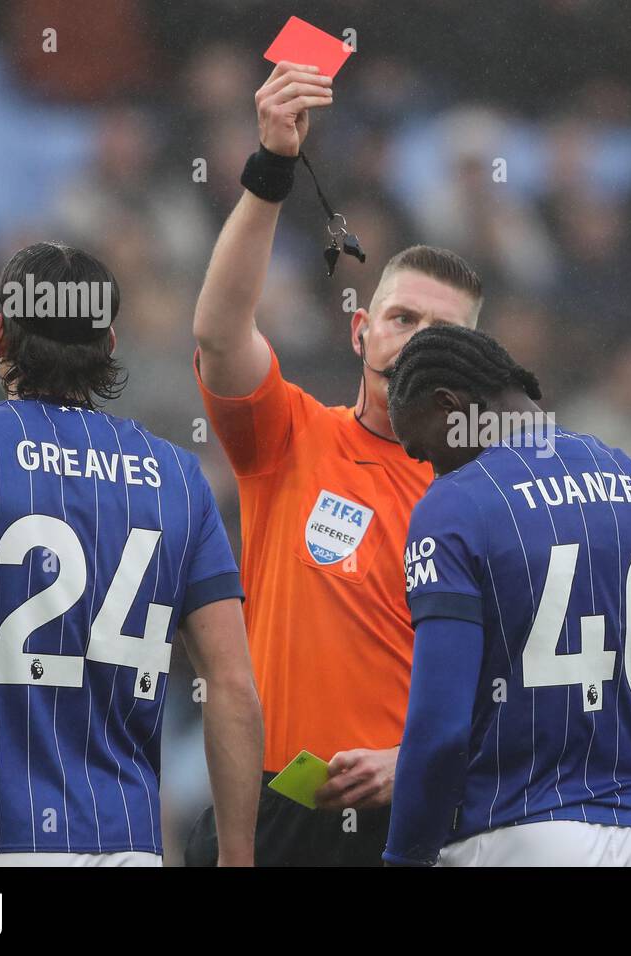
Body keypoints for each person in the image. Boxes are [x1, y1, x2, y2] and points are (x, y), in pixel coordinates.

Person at [0, 241, 262, 866]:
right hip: (127, 849)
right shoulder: (181, 478)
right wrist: (238, 859)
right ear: (110, 346)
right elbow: (232, 686)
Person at [186, 60, 482, 866]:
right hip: (271, 812)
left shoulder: (490, 497)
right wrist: (272, 170)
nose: (414, 338)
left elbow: (515, 685)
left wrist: (413, 762)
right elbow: (217, 332)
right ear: (360, 333)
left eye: (437, 328)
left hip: (417, 819)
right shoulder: (288, 437)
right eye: (399, 316)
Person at [381, 325, 631, 866]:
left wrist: (404, 858)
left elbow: (439, 731)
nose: (429, 468)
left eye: (424, 450)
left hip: (509, 836)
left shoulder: (454, 506)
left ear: (449, 406)